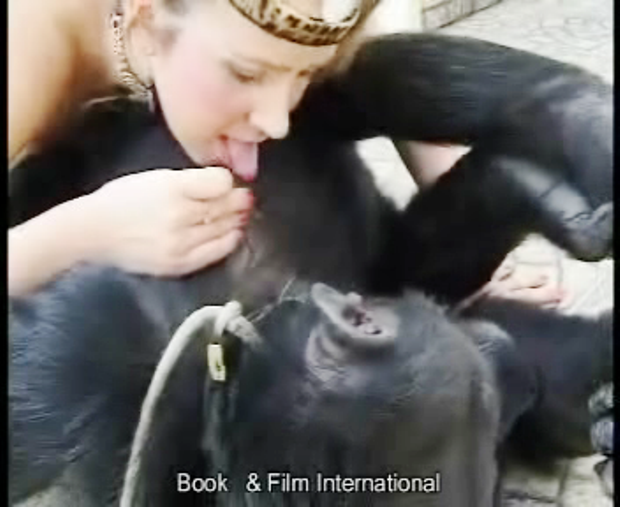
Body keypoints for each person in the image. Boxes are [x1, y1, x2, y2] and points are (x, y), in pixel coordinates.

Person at [8, 0, 565, 306]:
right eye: (246, 73)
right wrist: (86, 232)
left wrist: (479, 253)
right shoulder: (30, 44)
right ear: (147, 19)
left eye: (303, 75)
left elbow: (380, 81)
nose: (276, 121)